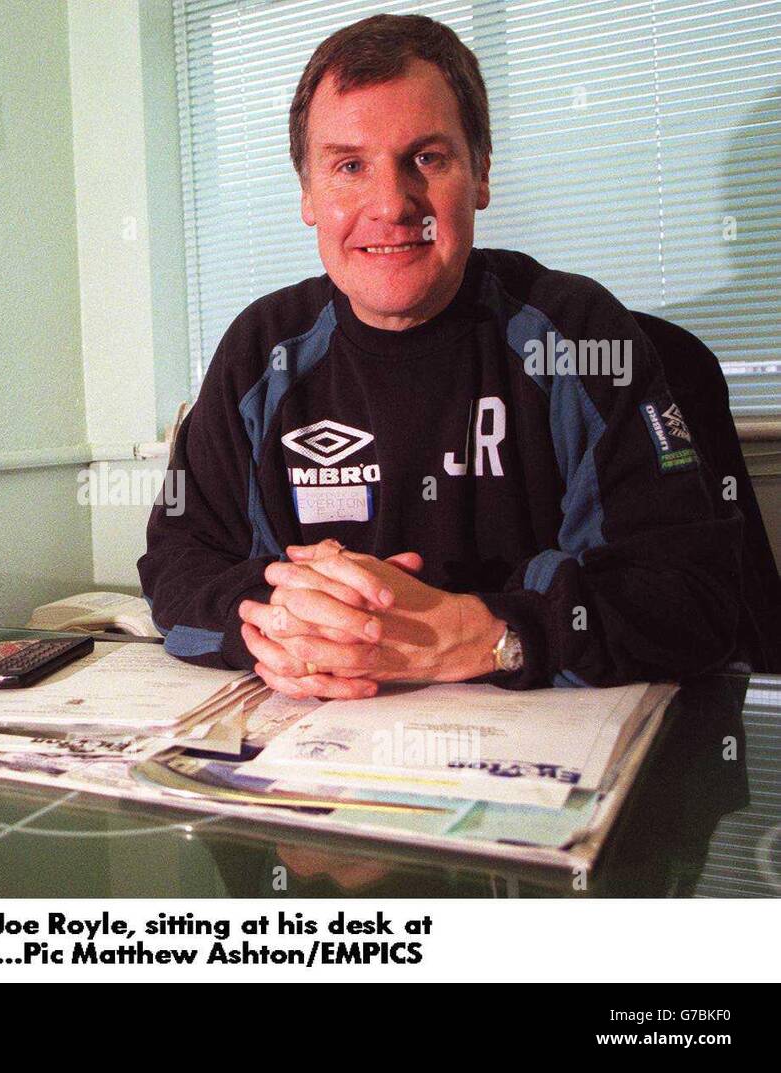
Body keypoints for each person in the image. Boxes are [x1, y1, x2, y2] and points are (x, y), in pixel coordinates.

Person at [137, 14, 744, 697]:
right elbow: (177, 563)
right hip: (315, 764)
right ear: (307, 192)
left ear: (481, 172)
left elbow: (698, 597)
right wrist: (275, 616)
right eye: (348, 166)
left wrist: (488, 632)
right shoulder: (260, 353)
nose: (392, 204)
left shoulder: (578, 337)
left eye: (427, 158)